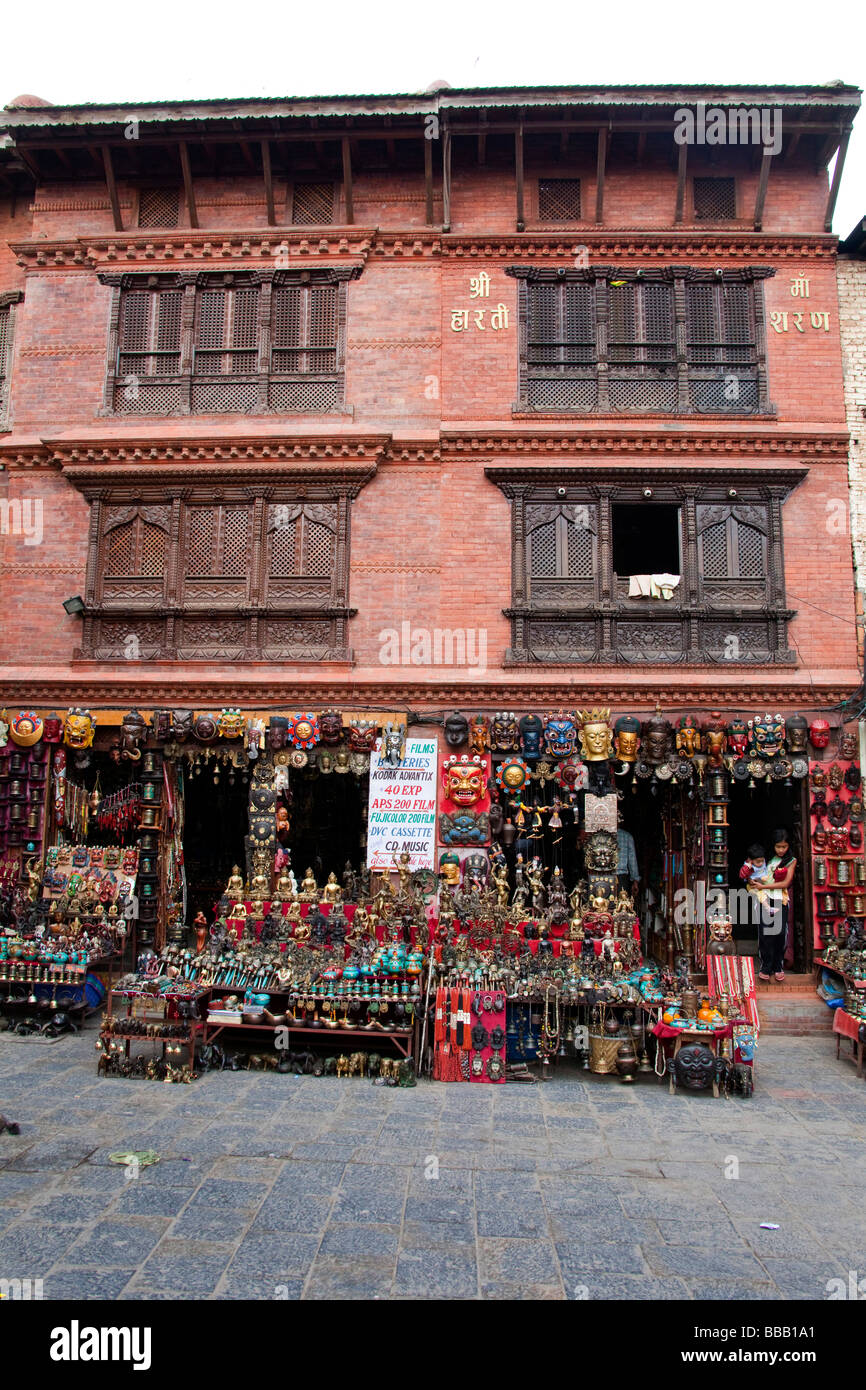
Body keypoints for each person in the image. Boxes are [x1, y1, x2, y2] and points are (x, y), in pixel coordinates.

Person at [616, 813, 639, 899]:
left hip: (603, 877)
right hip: (621, 878)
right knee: (621, 908)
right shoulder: (627, 836)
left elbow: (632, 859)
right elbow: (632, 860)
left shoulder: (601, 835)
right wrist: (635, 880)